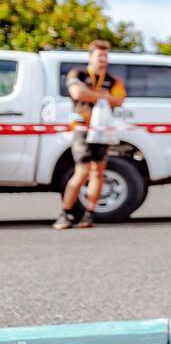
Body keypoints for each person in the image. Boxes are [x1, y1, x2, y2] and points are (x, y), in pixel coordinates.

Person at [53, 40, 127, 230]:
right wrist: (102, 96)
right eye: (99, 55)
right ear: (91, 56)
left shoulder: (113, 80)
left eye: (105, 56)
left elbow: (119, 100)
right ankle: (66, 212)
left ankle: (89, 213)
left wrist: (93, 95)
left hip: (102, 129)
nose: (103, 59)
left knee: (98, 171)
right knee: (82, 170)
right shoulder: (78, 74)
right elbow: (77, 93)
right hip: (82, 127)